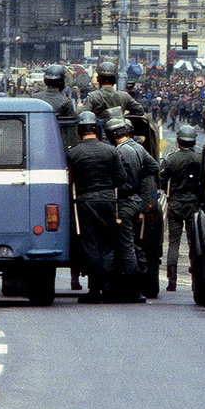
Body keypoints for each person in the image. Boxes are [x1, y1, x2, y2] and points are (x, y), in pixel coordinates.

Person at [66, 111, 124, 304]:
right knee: (108, 244)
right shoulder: (111, 151)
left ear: (79, 130)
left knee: (91, 244)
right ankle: (108, 289)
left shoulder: (73, 152)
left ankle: (94, 290)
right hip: (108, 200)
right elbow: (121, 179)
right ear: (97, 130)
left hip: (85, 201)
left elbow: (69, 181)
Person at [108, 116, 159, 303]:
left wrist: (127, 181)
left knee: (126, 246)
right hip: (137, 201)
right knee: (134, 245)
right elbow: (154, 167)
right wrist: (138, 177)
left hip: (125, 202)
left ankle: (133, 289)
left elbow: (117, 178)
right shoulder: (139, 149)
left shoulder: (119, 152)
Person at [161, 125, 204, 292]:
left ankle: (172, 281)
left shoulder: (171, 159)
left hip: (176, 203)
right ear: (193, 141)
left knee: (173, 242)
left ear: (178, 140)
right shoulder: (200, 159)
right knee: (194, 243)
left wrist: (168, 191)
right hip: (194, 203)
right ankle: (195, 281)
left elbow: (162, 180)